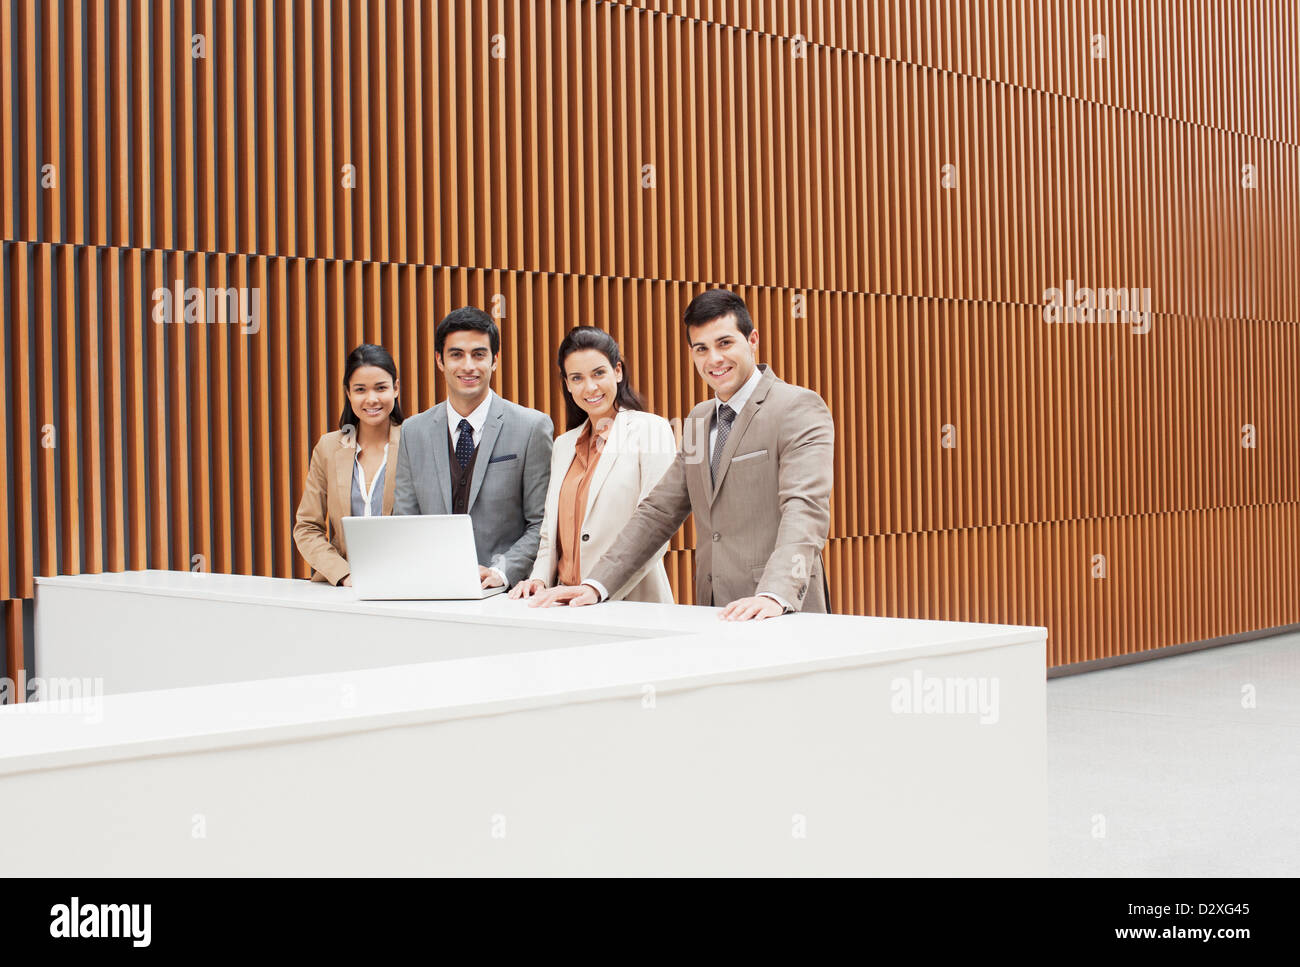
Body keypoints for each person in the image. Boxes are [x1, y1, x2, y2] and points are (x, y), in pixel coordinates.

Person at [532, 288, 834, 620]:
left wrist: (775, 592)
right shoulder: (699, 418)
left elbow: (805, 509)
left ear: (752, 340)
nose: (714, 359)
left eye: (724, 343)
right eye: (701, 349)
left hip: (781, 609)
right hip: (713, 609)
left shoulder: (797, 406)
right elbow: (659, 511)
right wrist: (595, 585)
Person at [510, 327, 677, 604]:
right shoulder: (563, 445)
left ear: (618, 372)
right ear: (567, 384)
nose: (590, 387)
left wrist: (597, 588)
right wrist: (538, 579)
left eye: (599, 373)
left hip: (630, 602)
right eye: (577, 378)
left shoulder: (651, 430)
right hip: (563, 604)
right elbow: (550, 534)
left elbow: (656, 531)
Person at [393, 306, 553, 589]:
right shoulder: (413, 431)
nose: (468, 366)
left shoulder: (532, 427)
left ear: (494, 361)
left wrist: (501, 573)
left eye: (479, 354)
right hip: (431, 589)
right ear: (440, 361)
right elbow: (405, 520)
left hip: (507, 595)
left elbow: (541, 523)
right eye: (456, 355)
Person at [294, 343, 405, 586]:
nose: (371, 399)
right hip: (343, 589)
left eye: (381, 388)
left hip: (402, 584)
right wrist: (343, 575)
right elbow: (307, 527)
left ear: (396, 389)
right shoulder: (328, 448)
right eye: (360, 390)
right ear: (348, 393)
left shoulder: (414, 442)